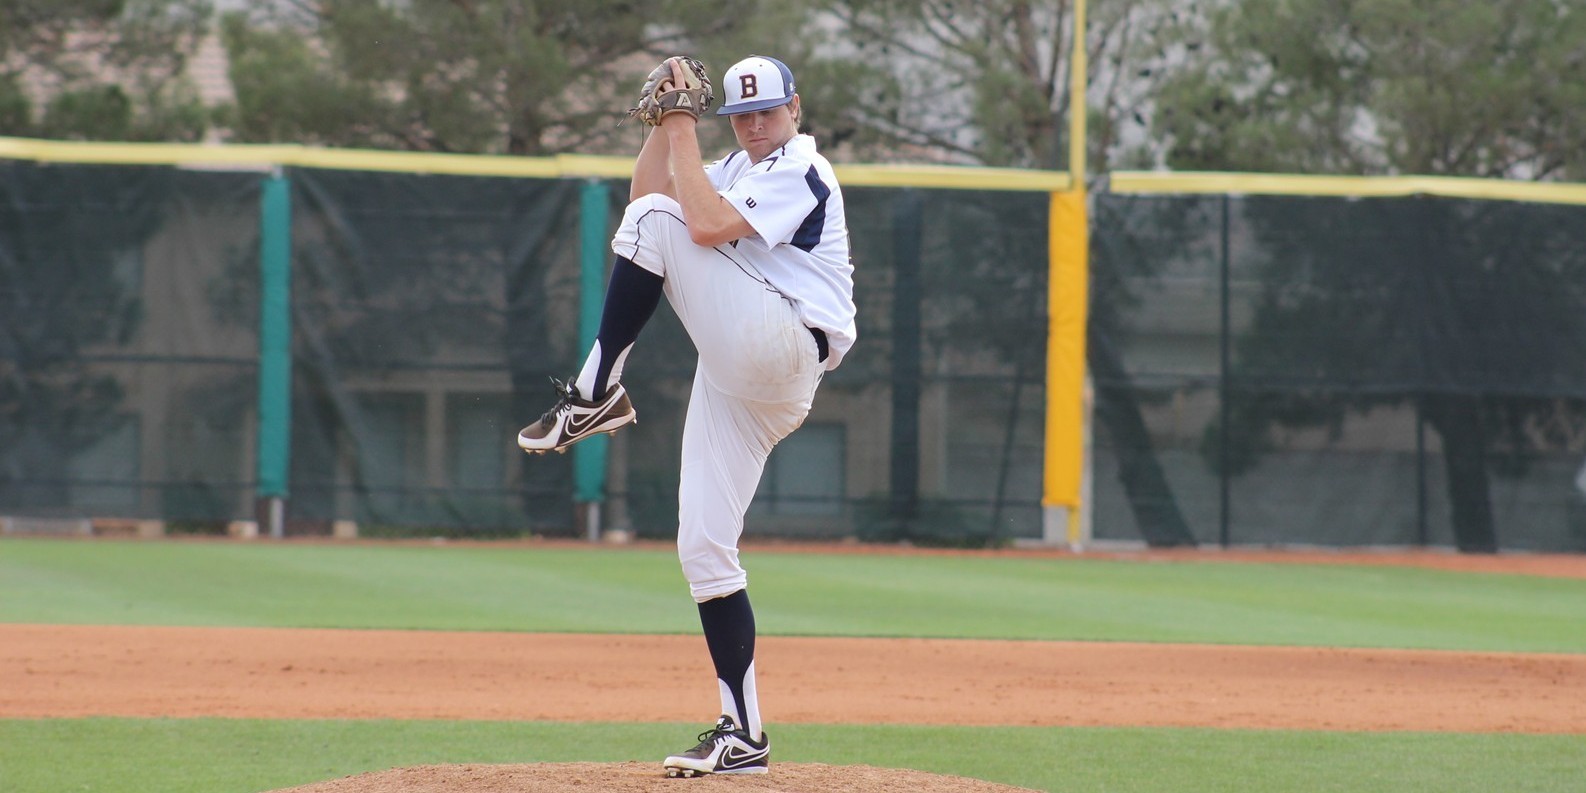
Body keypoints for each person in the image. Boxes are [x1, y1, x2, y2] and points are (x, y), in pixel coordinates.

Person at [516, 54, 856, 778]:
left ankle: (594, 392)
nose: (758, 124)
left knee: (667, 220)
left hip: (785, 345)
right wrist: (661, 126)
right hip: (744, 375)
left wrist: (680, 125)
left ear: (797, 109)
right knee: (704, 548)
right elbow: (647, 205)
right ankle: (744, 732)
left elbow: (692, 225)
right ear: (729, 119)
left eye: (769, 110)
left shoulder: (802, 168)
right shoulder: (735, 167)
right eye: (743, 113)